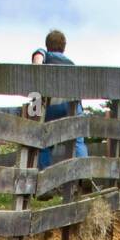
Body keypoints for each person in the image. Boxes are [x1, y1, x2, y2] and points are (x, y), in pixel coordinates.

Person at [32, 30, 89, 170]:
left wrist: (36, 71)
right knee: (77, 139)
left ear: (47, 45)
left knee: (43, 139)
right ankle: (84, 172)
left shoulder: (46, 54)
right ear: (64, 46)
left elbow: (38, 57)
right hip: (71, 106)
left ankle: (43, 175)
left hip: (50, 106)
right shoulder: (71, 64)